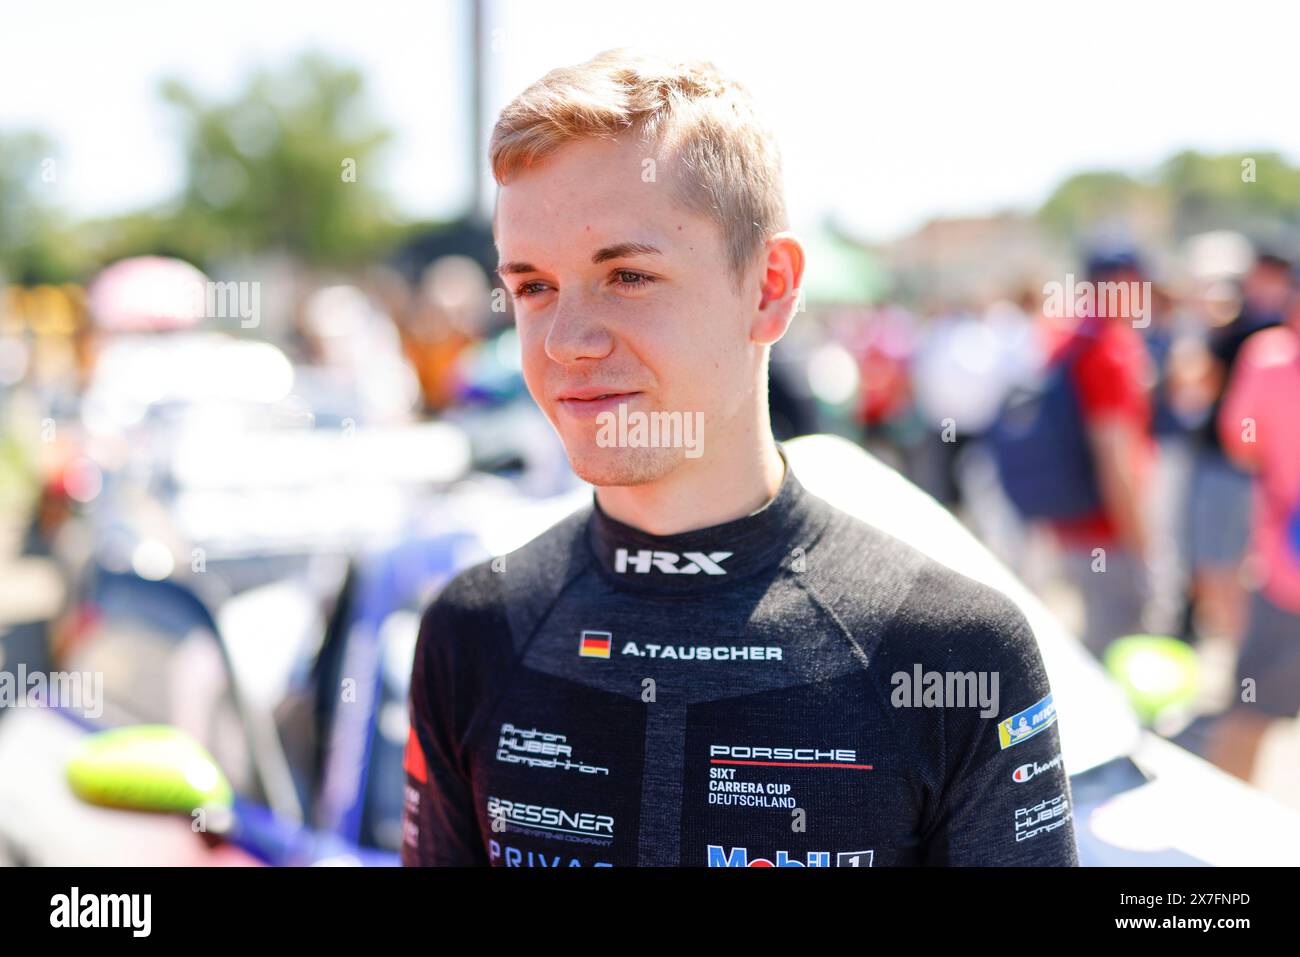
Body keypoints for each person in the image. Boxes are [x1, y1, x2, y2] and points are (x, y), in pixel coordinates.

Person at [400, 49, 1076, 867]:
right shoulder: (473, 630)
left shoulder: (953, 648)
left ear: (769, 287)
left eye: (628, 275)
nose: (567, 343)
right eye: (535, 286)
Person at [1041, 250, 1155, 658]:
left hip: (1069, 520)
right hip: (1108, 529)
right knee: (1118, 648)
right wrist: (1142, 545)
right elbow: (1114, 458)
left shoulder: (1066, 338)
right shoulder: (1109, 349)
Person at [1207, 287, 1300, 780]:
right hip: (1285, 573)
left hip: (1286, 573)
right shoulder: (1267, 357)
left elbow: (1240, 444)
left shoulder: (1267, 357)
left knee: (1247, 717)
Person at [1185, 252, 1294, 643]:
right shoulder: (1261, 338)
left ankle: (1238, 649)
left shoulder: (1264, 346)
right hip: (1251, 481)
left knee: (1223, 566)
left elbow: (1235, 435)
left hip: (1235, 475)